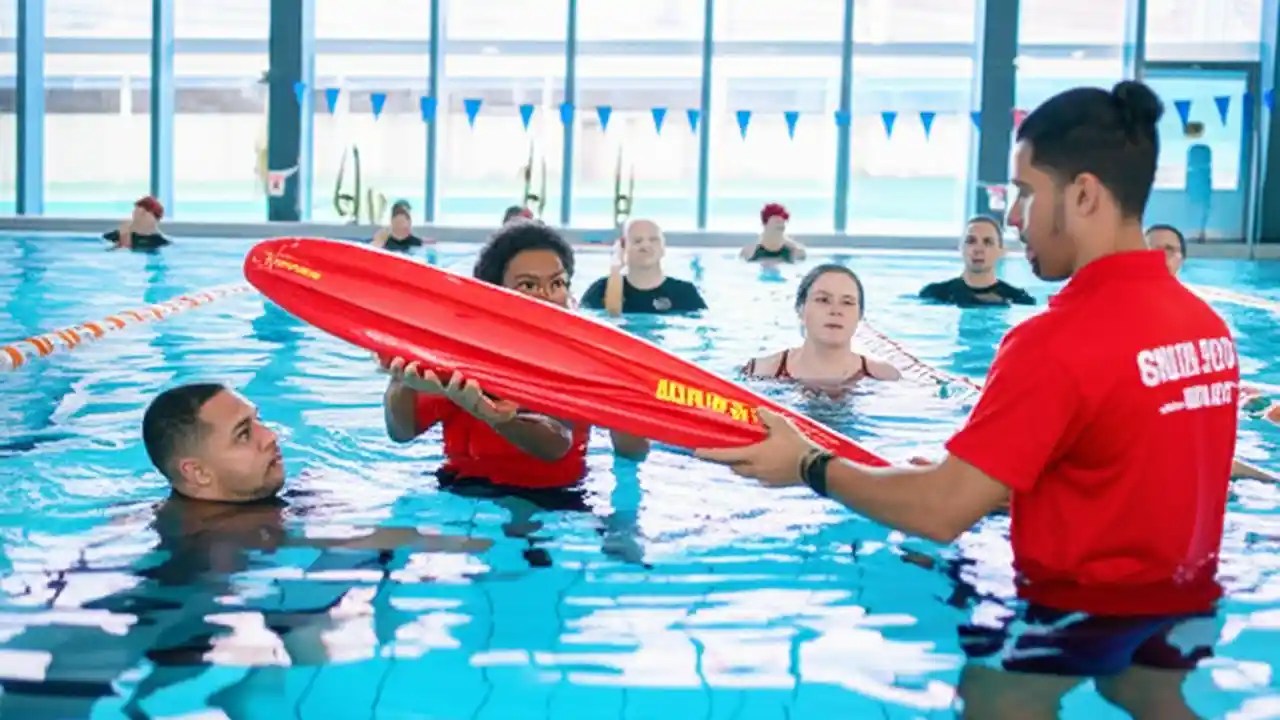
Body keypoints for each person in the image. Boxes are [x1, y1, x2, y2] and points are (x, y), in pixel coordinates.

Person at [698, 81, 1236, 719]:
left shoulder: (1054, 341)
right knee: (1144, 694)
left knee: (990, 697)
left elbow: (940, 514)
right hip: (1184, 602)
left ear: (1084, 194)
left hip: (1075, 608)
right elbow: (1129, 469)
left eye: (1027, 193)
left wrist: (808, 465)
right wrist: (986, 484)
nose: (1013, 219)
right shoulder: (1207, 328)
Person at [381, 221, 650, 500]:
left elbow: (561, 443)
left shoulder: (581, 362)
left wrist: (623, 405)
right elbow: (402, 433)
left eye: (557, 283)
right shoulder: (461, 353)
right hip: (460, 489)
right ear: (492, 296)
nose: (546, 296)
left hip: (556, 501)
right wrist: (400, 382)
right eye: (528, 285)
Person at [1143, 225, 1278, 482]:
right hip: (1169, 428)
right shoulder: (1129, 312)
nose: (1160, 255)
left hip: (1197, 413)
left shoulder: (1200, 317)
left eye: (1169, 249)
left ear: (1182, 259)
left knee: (1254, 400)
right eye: (1152, 249)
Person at [743, 264, 900, 385]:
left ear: (860, 315)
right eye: (823, 300)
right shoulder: (760, 372)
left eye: (847, 302)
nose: (836, 311)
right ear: (800, 309)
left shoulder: (885, 377)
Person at [579, 218, 707, 316]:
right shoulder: (601, 290)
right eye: (637, 241)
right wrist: (616, 268)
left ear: (663, 248)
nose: (645, 245)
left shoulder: (684, 293)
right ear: (623, 248)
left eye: (653, 240)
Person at [918, 216, 1035, 307]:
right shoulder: (934, 294)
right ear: (961, 248)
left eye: (988, 242)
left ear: (1001, 251)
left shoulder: (1019, 299)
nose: (978, 249)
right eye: (971, 241)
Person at [740, 203, 806, 263]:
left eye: (782, 224)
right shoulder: (749, 251)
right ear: (765, 224)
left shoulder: (796, 251)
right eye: (777, 222)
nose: (781, 225)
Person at [104, 195, 171, 251]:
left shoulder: (160, 242)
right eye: (137, 213)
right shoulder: (119, 234)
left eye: (143, 214)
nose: (139, 217)